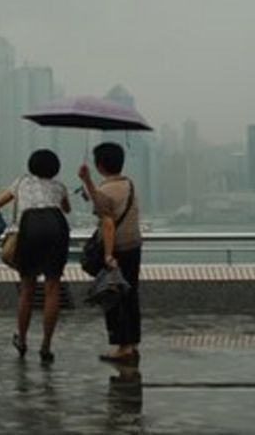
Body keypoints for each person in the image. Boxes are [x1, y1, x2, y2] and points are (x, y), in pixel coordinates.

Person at [0, 149, 71, 364]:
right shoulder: (59, 186)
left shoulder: (21, 182)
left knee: (27, 288)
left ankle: (23, 339)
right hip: (57, 225)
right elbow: (66, 208)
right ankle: (46, 344)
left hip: (31, 225)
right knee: (52, 287)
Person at [78, 141, 142, 365]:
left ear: (100, 165)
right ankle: (131, 343)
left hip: (117, 250)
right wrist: (86, 181)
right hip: (134, 246)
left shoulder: (106, 191)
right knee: (130, 295)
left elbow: (107, 222)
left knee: (114, 297)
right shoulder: (128, 184)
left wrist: (107, 255)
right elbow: (103, 200)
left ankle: (122, 347)